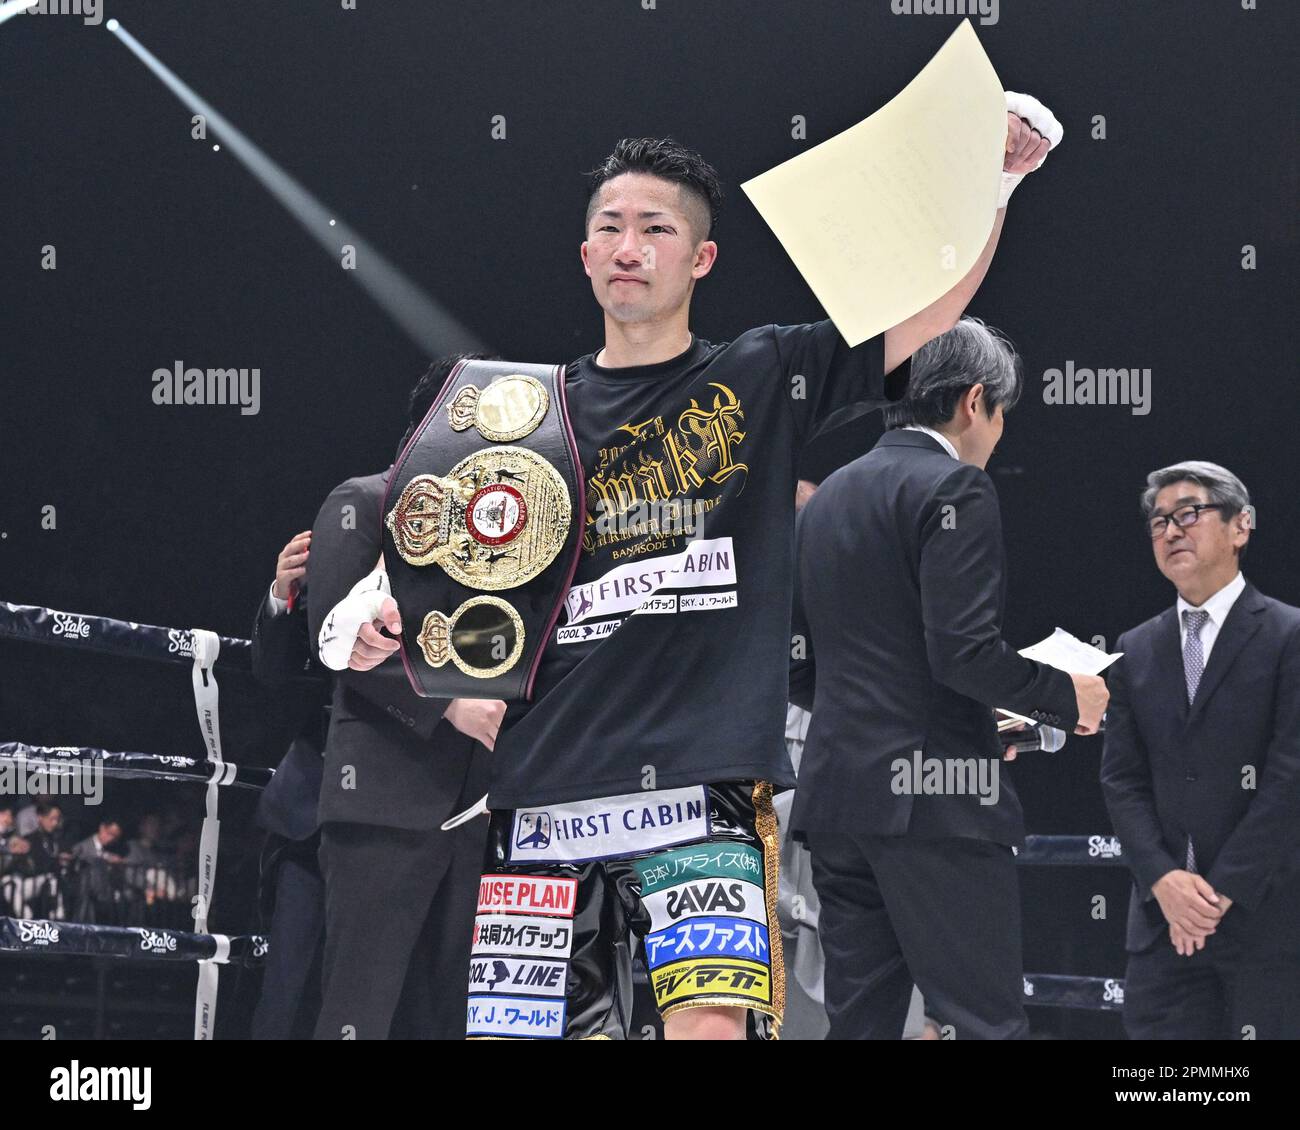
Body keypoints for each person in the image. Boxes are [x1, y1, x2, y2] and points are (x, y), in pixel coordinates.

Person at [332, 105, 1064, 1040]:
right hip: (545, 787)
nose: (629, 247)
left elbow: (922, 316)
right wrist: (370, 627)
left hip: (702, 785)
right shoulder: (515, 414)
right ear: (585, 254)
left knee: (713, 1035)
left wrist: (994, 183)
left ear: (700, 259)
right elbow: (441, 582)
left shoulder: (761, 373)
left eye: (656, 228)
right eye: (609, 228)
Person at [790, 318, 1108, 1039]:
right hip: (933, 804)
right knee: (984, 1022)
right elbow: (963, 653)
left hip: (839, 798)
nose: (998, 435)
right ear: (974, 401)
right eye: (1002, 414)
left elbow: (797, 664)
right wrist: (1067, 697)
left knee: (859, 1028)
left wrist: (908, 714)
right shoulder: (955, 486)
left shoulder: (828, 496)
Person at [310, 355, 498, 1041]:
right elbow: (332, 636)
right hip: (384, 800)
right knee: (359, 1013)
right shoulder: (363, 500)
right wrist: (450, 706)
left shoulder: (499, 528)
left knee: (448, 1019)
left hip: (480, 810)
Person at [1101, 462, 1300, 1039]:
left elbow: (1290, 779)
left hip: (1265, 920)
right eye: (1159, 521)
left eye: (1189, 513)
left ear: (1241, 527)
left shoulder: (1288, 636)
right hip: (1162, 926)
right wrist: (1163, 880)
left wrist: (1218, 895)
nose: (1171, 530)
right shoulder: (1135, 648)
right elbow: (1121, 780)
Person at [248, 529, 331, 1039]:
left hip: (407, 813)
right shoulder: (345, 544)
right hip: (312, 817)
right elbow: (273, 672)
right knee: (285, 983)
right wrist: (284, 593)